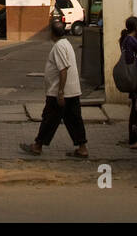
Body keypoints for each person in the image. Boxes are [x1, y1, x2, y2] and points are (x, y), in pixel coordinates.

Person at [20, 19, 89, 158]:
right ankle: (82, 148)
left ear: (52, 33)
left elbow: (63, 69)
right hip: (72, 91)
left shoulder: (59, 47)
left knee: (49, 118)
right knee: (74, 119)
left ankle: (38, 145)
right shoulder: (66, 43)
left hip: (60, 92)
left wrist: (61, 92)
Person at [118, 16, 137, 149]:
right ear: (136, 27)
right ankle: (134, 138)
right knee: (135, 110)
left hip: (131, 76)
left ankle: (135, 136)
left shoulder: (125, 39)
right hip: (135, 76)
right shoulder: (131, 39)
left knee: (135, 108)